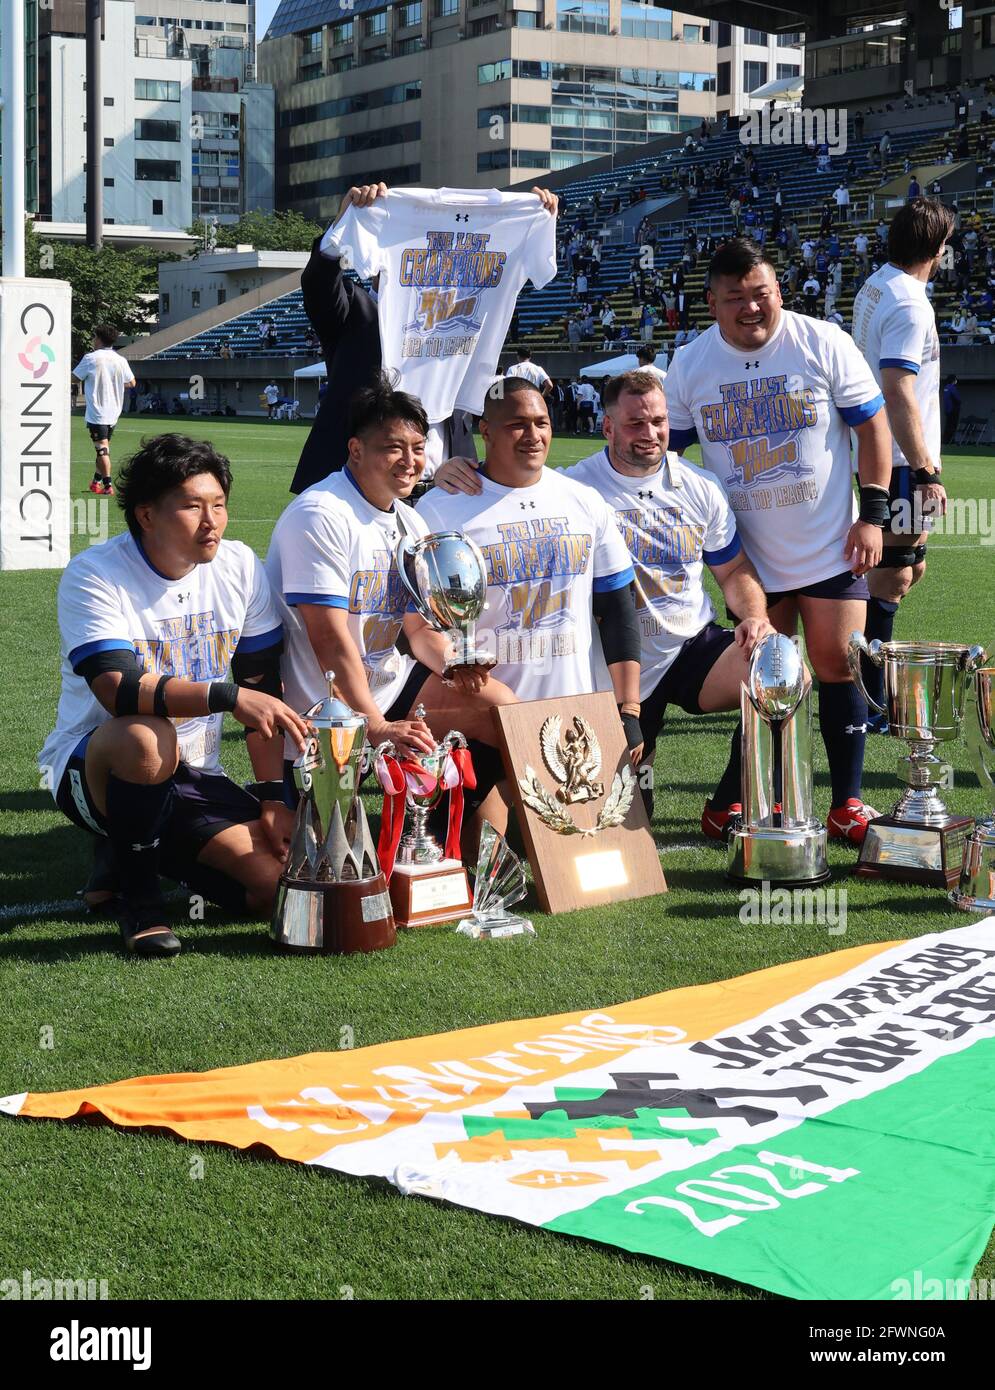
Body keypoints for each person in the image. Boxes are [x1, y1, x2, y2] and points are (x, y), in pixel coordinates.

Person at [39, 435, 311, 957]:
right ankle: (140, 907)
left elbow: (262, 693)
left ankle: (132, 851)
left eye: (220, 504)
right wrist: (225, 696)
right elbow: (118, 690)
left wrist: (274, 798)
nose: (212, 521)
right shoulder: (95, 574)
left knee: (275, 887)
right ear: (146, 514)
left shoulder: (239, 567)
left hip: (193, 772)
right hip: (95, 762)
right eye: (192, 506)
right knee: (147, 734)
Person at [663, 238, 892, 843]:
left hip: (828, 545)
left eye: (761, 294)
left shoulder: (823, 341)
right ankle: (730, 800)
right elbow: (666, 458)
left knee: (839, 666)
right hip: (747, 560)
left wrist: (872, 514)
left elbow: (873, 425)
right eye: (734, 298)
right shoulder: (688, 366)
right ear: (711, 303)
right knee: (766, 678)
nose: (750, 308)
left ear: (779, 292)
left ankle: (848, 802)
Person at [267, 376, 515, 851]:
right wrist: (373, 723)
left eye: (418, 448)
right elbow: (329, 640)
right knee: (317, 864)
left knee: (500, 709)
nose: (409, 461)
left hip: (389, 687)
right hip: (325, 708)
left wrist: (454, 662)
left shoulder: (409, 520)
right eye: (393, 448)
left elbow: (419, 630)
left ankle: (453, 846)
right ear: (356, 450)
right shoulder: (321, 514)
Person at [417, 378, 644, 830]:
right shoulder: (442, 508)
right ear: (486, 430)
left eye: (541, 422)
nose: (533, 435)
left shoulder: (583, 501)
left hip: (573, 722)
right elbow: (419, 624)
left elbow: (618, 609)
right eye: (517, 424)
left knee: (594, 845)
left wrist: (629, 710)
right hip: (483, 715)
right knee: (471, 856)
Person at [562, 372, 776, 837]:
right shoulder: (572, 489)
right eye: (635, 423)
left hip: (688, 646)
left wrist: (756, 616)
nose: (651, 433)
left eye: (658, 421)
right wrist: (461, 472)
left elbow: (734, 570)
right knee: (625, 822)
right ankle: (640, 769)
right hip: (614, 660)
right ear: (608, 428)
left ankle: (729, 805)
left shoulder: (699, 486)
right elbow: (504, 488)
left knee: (777, 671)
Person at [852, 199, 953, 721]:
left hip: (887, 455)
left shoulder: (879, 282)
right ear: (936, 249)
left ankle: (866, 672)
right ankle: (868, 693)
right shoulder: (912, 304)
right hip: (897, 461)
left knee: (910, 568)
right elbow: (897, 386)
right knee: (890, 575)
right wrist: (927, 471)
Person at [72, 324, 137, 496]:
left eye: (94, 337)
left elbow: (73, 378)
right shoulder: (120, 359)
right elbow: (132, 383)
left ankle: (108, 486)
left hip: (97, 412)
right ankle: (95, 482)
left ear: (98, 339)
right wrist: (112, 384)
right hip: (113, 412)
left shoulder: (91, 358)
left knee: (102, 450)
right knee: (102, 450)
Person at [943, 373, 961, 446]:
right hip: (953, 410)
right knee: (953, 425)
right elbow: (957, 399)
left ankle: (945, 440)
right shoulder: (952, 388)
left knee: (948, 425)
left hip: (947, 410)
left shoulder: (946, 387)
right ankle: (951, 440)